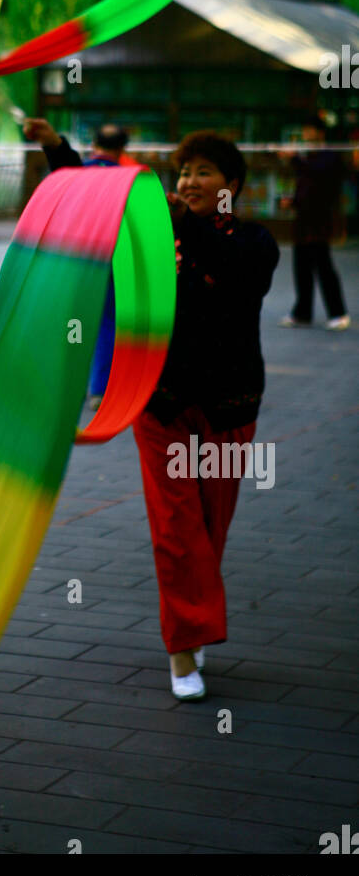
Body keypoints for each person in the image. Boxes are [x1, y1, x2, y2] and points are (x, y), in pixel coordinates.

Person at [131, 132, 279, 700]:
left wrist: (180, 224)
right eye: (183, 172)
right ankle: (182, 650)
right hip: (162, 404)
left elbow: (231, 275)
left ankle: (190, 626)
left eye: (203, 172)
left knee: (208, 530)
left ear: (232, 185)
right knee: (175, 529)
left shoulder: (255, 242)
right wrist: (57, 154)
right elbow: (94, 208)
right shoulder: (156, 236)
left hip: (228, 408)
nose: (189, 182)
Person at [23, 118, 137, 406]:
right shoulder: (131, 179)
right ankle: (98, 389)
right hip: (111, 260)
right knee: (108, 322)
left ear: (93, 145)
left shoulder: (75, 172)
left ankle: (61, 386)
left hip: (72, 258)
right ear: (122, 148)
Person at [278, 117, 349, 330]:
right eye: (305, 131)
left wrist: (294, 160)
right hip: (302, 221)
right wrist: (293, 202)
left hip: (319, 222)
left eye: (309, 131)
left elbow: (318, 176)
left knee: (323, 267)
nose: (306, 136)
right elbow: (305, 186)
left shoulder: (329, 156)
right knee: (302, 268)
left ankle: (338, 313)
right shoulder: (310, 158)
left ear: (320, 133)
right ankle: (302, 312)